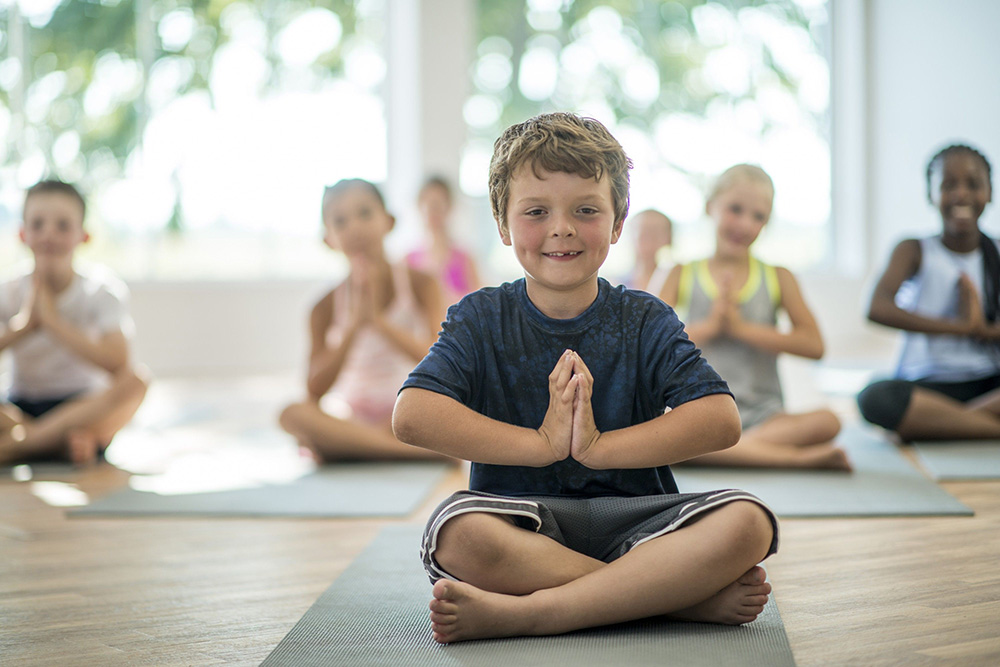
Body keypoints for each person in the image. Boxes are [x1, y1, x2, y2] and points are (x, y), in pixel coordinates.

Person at [392, 113, 778, 644]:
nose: (562, 228)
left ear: (618, 223)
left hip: (642, 525)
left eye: (586, 210)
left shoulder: (647, 317)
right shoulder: (478, 317)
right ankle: (669, 599)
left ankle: (533, 613)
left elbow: (720, 421)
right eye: (536, 211)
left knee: (749, 521)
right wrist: (542, 445)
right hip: (522, 526)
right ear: (503, 226)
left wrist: (597, 448)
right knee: (456, 531)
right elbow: (411, 416)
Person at [658, 165, 847, 470]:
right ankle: (791, 459)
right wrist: (710, 328)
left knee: (829, 421)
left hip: (765, 418)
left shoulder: (779, 277)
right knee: (654, 425)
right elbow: (647, 346)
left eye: (758, 217)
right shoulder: (679, 273)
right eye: (735, 209)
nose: (745, 224)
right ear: (710, 207)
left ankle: (729, 452)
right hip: (700, 413)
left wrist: (741, 329)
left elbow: (814, 346)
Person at [279, 179, 450, 461]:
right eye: (341, 221)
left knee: (449, 408)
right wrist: (355, 327)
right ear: (328, 239)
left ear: (389, 221)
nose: (355, 227)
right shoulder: (322, 306)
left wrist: (380, 323)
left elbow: (441, 367)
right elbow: (313, 390)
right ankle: (411, 453)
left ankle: (358, 448)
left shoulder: (421, 284)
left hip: (409, 408)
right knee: (292, 415)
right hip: (353, 417)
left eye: (365, 214)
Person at [857, 144, 1000, 441]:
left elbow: (983, 330)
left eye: (973, 185)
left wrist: (981, 330)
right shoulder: (914, 249)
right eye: (949, 185)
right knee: (874, 397)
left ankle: (945, 424)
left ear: (990, 193)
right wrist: (959, 328)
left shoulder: (996, 251)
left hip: (988, 383)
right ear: (930, 194)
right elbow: (877, 307)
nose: (961, 194)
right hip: (929, 386)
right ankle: (981, 426)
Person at [0, 180, 148, 466]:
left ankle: (21, 445)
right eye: (38, 224)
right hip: (17, 408)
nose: (49, 234)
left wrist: (54, 324)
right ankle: (55, 443)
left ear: (84, 236)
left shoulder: (102, 290)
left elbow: (119, 363)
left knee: (136, 383)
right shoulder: (7, 290)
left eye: (63, 226)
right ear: (22, 233)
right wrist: (24, 327)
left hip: (81, 406)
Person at [405, 176, 482, 305]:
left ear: (448, 207)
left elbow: (478, 304)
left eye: (437, 205)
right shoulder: (409, 261)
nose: (432, 211)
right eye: (428, 205)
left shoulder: (465, 259)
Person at [624, 208, 673, 293]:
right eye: (643, 234)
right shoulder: (615, 287)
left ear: (670, 238)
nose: (648, 241)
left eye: (656, 234)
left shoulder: (684, 284)